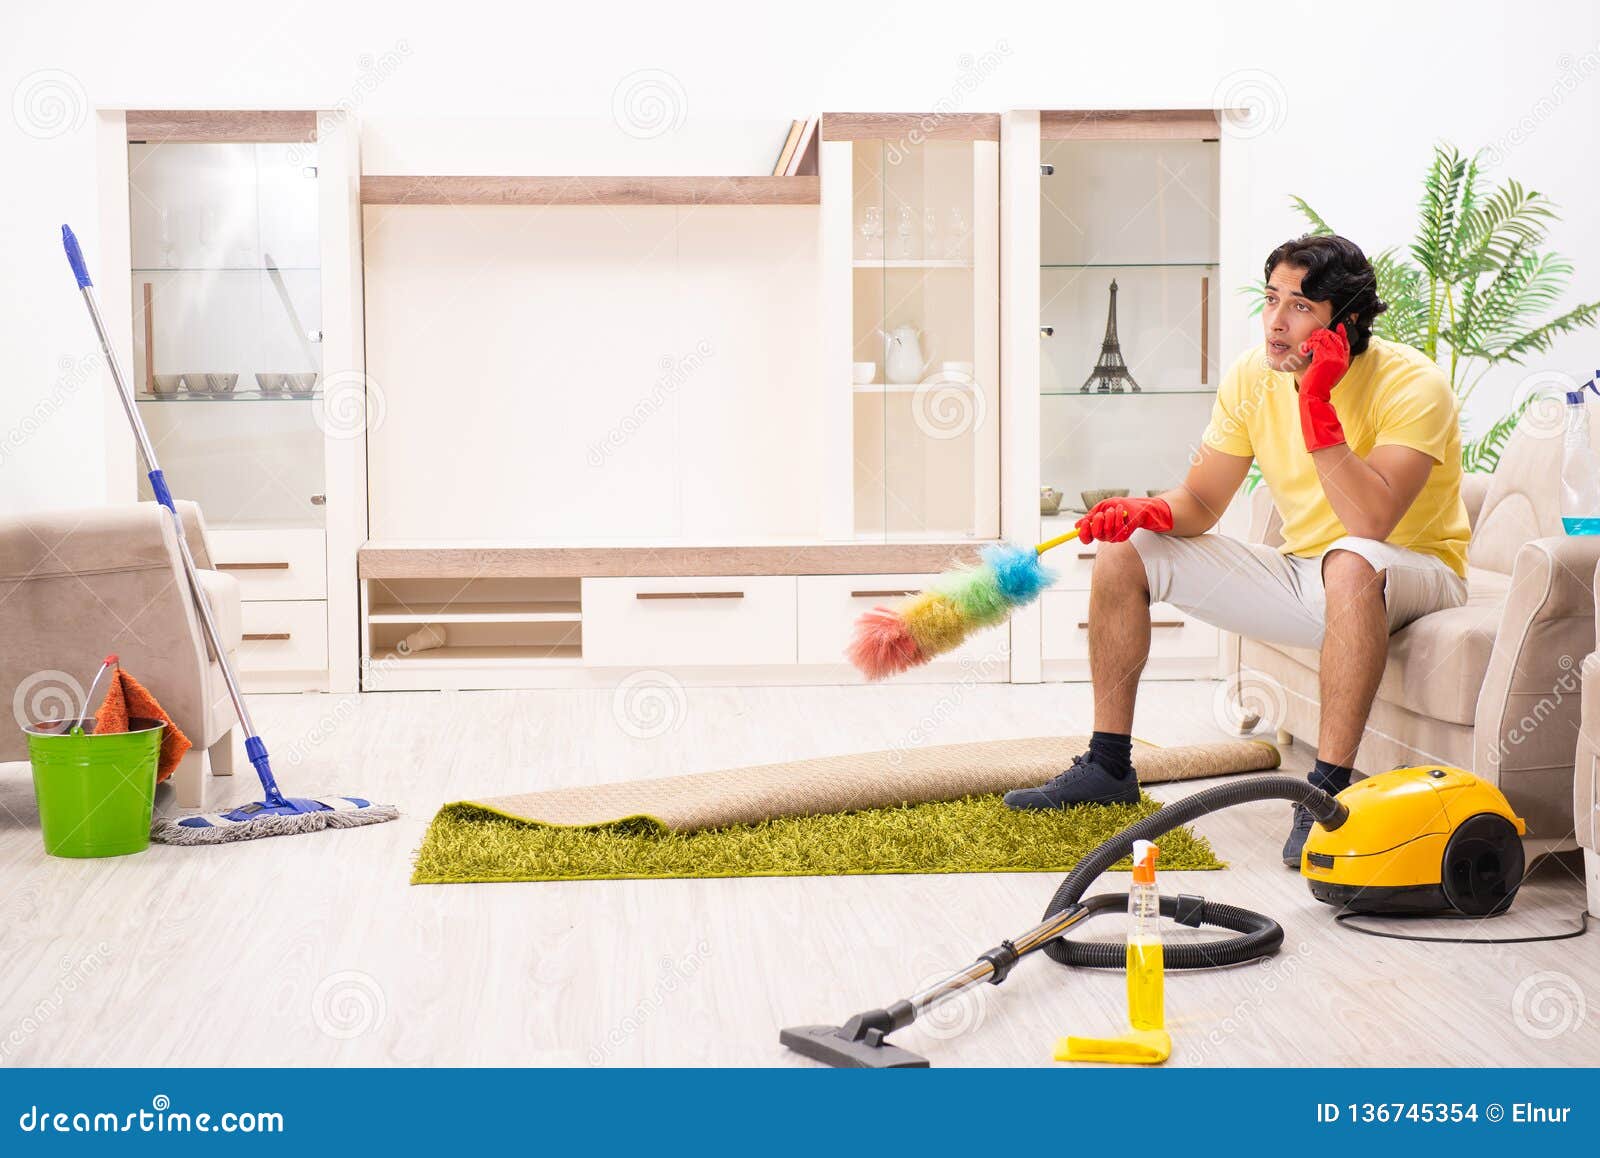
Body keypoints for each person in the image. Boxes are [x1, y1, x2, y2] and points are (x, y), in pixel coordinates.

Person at [1003, 234, 1471, 866]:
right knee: (1128, 550)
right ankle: (1109, 766)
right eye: (1272, 298)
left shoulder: (1414, 383)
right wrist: (1149, 510)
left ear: (1348, 320)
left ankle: (1326, 796)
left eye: (1302, 306)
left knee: (1353, 559)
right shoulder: (1254, 375)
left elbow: (1370, 522)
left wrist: (1316, 401)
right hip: (1313, 573)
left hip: (1414, 574)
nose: (1277, 322)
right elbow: (1202, 500)